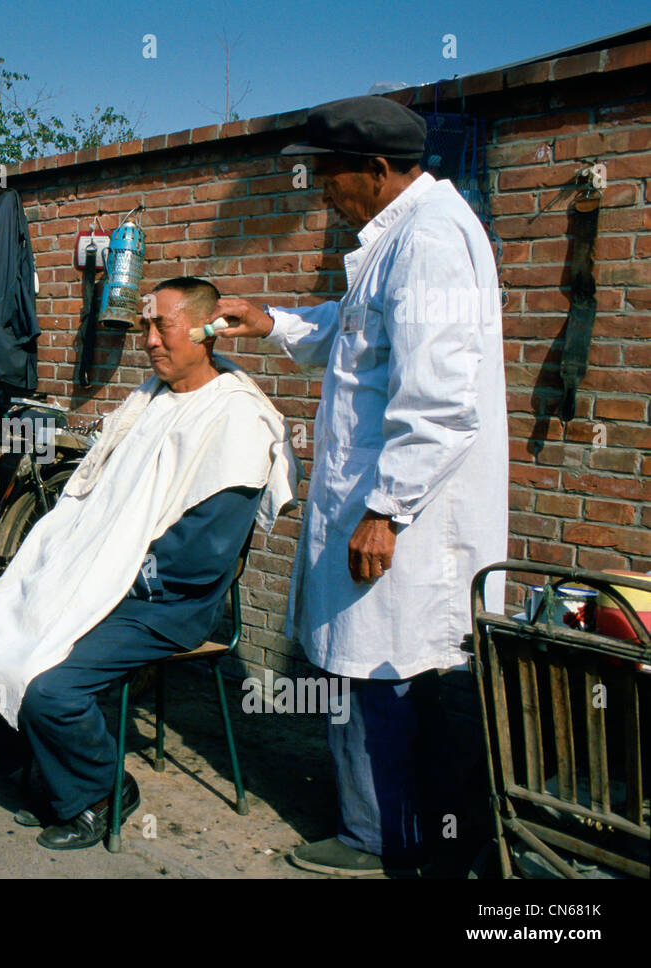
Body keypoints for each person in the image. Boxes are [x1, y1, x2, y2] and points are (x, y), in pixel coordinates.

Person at [212, 96, 508, 875]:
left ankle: (387, 839)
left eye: (328, 175)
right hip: (380, 504)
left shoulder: (432, 240)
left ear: (376, 171)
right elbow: (354, 329)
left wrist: (388, 509)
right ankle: (373, 827)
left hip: (410, 516)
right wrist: (271, 320)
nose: (319, 192)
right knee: (359, 663)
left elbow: (442, 402)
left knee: (391, 672)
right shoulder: (400, 237)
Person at [0, 278, 300, 850]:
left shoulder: (236, 419)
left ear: (205, 332)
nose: (147, 339)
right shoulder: (149, 400)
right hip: (93, 578)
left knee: (51, 690)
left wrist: (101, 589)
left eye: (160, 326)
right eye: (144, 325)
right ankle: (45, 771)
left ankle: (100, 794)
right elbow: (94, 500)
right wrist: (67, 574)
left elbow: (199, 559)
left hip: (164, 603)